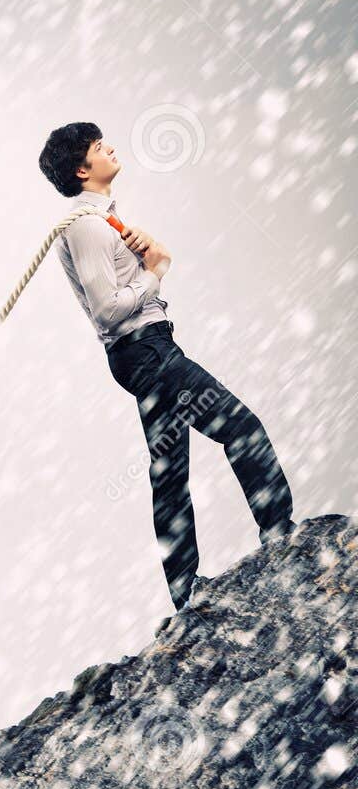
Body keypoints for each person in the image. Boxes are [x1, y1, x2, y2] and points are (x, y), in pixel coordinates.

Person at [38, 121, 293, 613]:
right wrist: (156, 272)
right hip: (147, 352)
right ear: (82, 169)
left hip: (145, 352)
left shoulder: (100, 220)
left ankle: (185, 595)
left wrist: (146, 263)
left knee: (169, 473)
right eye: (99, 146)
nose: (110, 148)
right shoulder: (87, 225)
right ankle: (281, 537)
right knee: (242, 429)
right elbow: (108, 310)